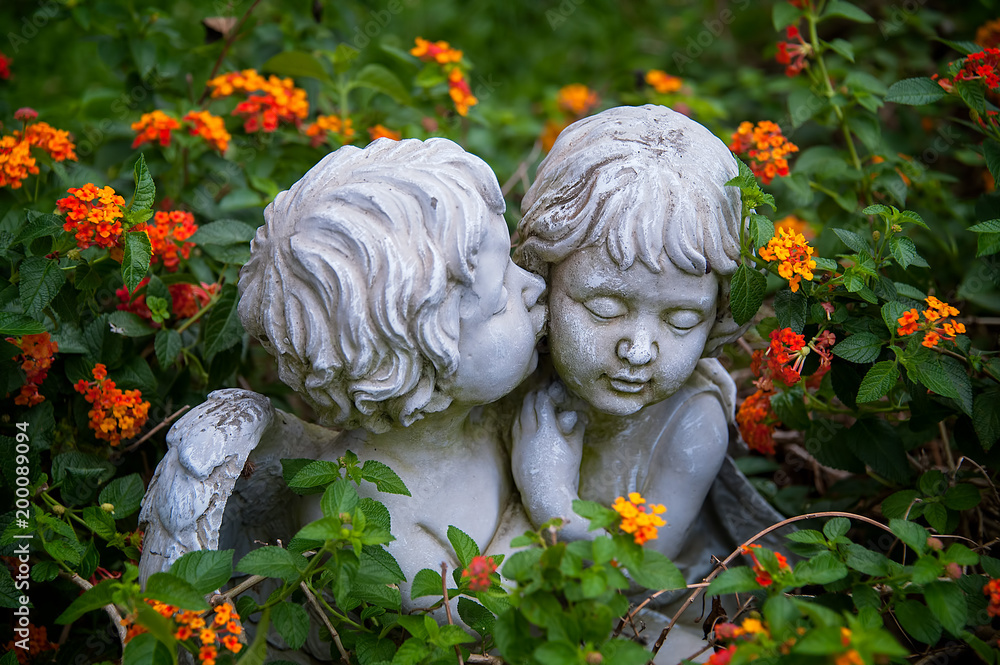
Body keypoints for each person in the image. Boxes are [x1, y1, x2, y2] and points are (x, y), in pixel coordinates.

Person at [237, 137, 546, 604]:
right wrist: (547, 503)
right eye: (500, 299)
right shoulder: (363, 517)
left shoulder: (484, 410)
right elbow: (479, 618)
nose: (535, 285)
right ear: (417, 369)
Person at [511, 105, 752, 565]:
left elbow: (642, 572)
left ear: (716, 317)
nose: (638, 351)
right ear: (543, 279)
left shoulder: (692, 427)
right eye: (604, 309)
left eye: (682, 321)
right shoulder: (512, 371)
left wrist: (551, 506)